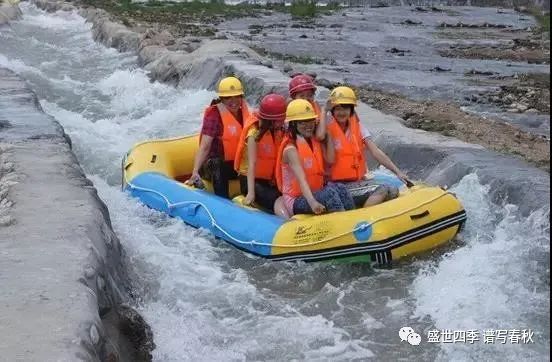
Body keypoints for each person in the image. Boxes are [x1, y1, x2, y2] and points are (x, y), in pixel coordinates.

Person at [324, 86, 408, 207]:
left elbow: (376, 151)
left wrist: (398, 172)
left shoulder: (357, 127)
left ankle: (363, 207)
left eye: (346, 108)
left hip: (357, 182)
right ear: (332, 110)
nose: (341, 112)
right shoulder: (327, 127)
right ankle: (362, 219)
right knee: (382, 189)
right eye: (337, 109)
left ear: (352, 110)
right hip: (337, 186)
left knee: (393, 191)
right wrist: (324, 110)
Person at [275, 99, 355, 216]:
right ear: (293, 124)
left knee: (340, 188)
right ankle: (344, 221)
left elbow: (330, 159)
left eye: (310, 121)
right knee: (329, 193)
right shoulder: (290, 150)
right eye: (302, 122)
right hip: (297, 200)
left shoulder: (313, 142)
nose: (308, 125)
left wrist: (328, 134)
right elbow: (301, 178)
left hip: (315, 192)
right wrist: (312, 203)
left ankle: (353, 217)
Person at [185, 76, 250, 198]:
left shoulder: (245, 114)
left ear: (242, 97)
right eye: (228, 98)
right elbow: (205, 146)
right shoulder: (214, 115)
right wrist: (195, 171)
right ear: (222, 99)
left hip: (236, 165)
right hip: (212, 166)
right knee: (217, 164)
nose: (233, 101)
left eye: (237, 96)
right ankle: (222, 201)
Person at [234, 93, 286, 212]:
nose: (282, 123)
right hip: (250, 181)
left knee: (284, 196)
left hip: (268, 180)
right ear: (270, 120)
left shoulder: (278, 131)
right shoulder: (253, 134)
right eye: (280, 120)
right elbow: (252, 164)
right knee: (275, 198)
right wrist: (251, 193)